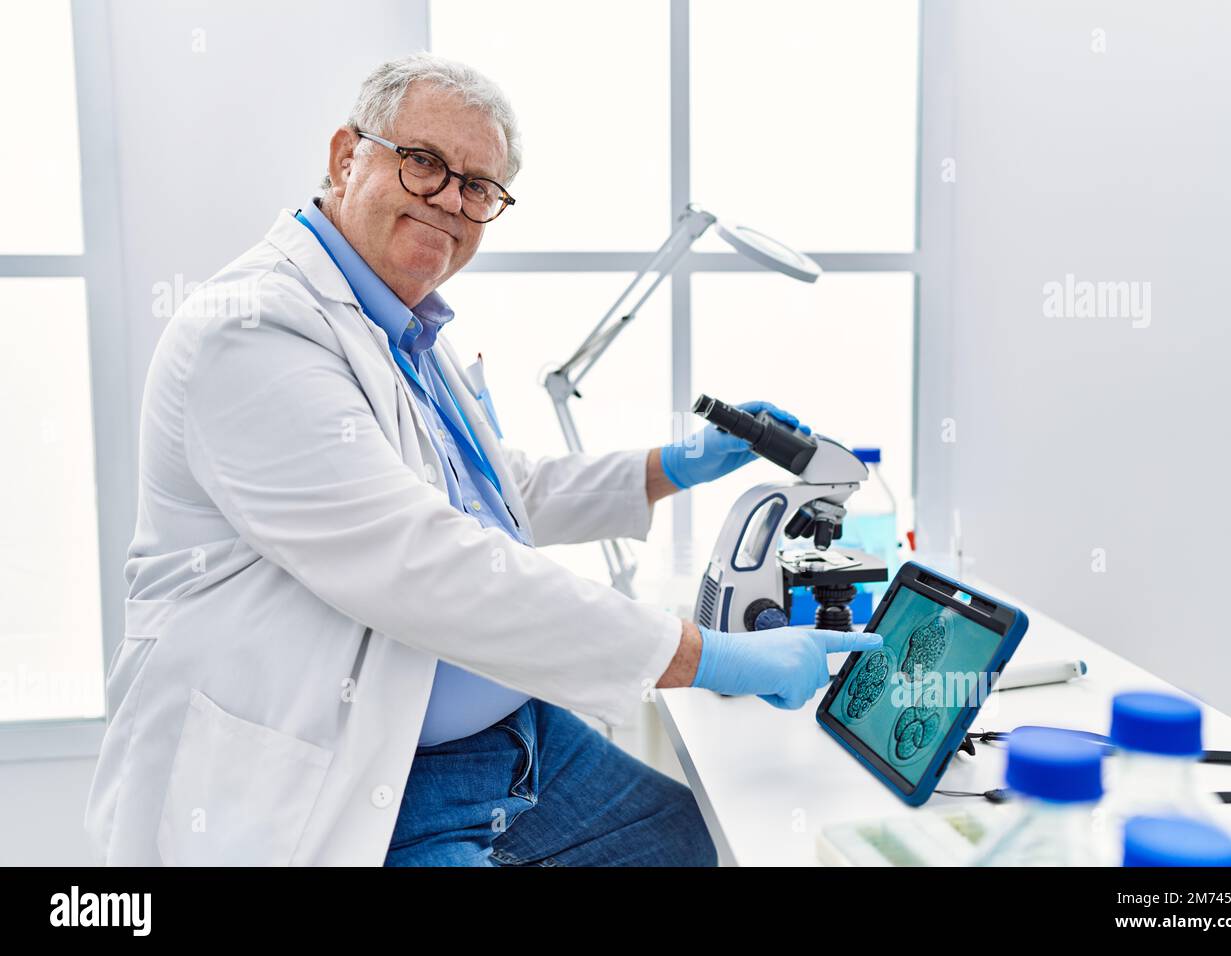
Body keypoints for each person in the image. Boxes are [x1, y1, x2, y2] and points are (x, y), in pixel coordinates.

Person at [84, 53, 879, 867]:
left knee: (688, 840)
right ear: (344, 156)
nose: (450, 201)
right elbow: (426, 561)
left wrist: (672, 465)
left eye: (478, 188)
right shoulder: (252, 330)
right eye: (424, 162)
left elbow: (502, 495)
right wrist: (712, 657)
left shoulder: (403, 324)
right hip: (367, 778)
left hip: (518, 740)